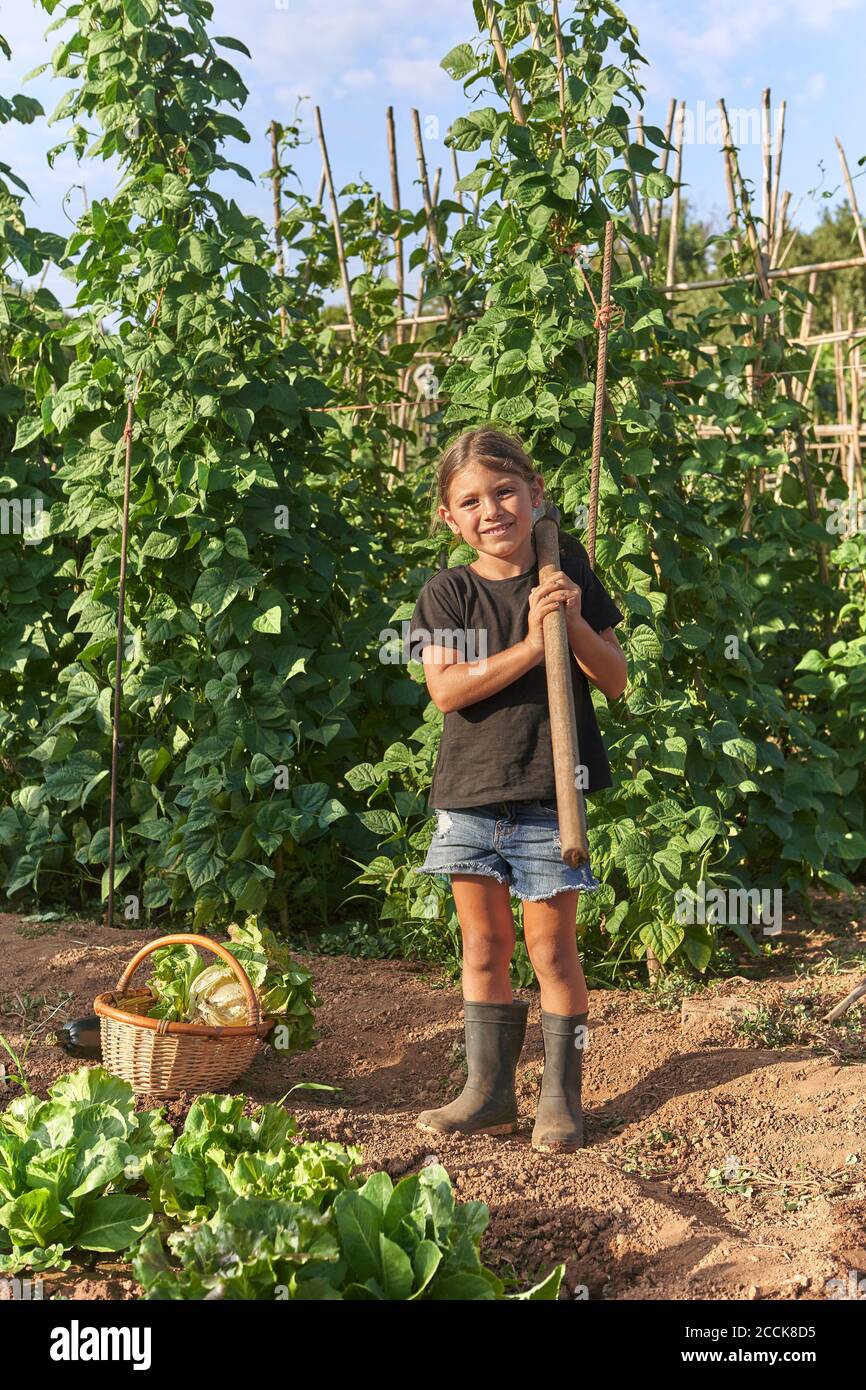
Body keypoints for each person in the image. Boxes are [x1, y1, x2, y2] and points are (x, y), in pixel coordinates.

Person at [408, 426, 627, 1152]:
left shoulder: (568, 571)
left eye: (505, 492)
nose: (491, 509)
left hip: (547, 792)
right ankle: (487, 1092)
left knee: (552, 950)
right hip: (468, 796)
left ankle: (562, 1098)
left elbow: (616, 678)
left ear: (535, 494)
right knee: (482, 944)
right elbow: (447, 690)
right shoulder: (450, 593)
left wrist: (569, 620)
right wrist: (534, 645)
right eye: (469, 500)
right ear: (449, 518)